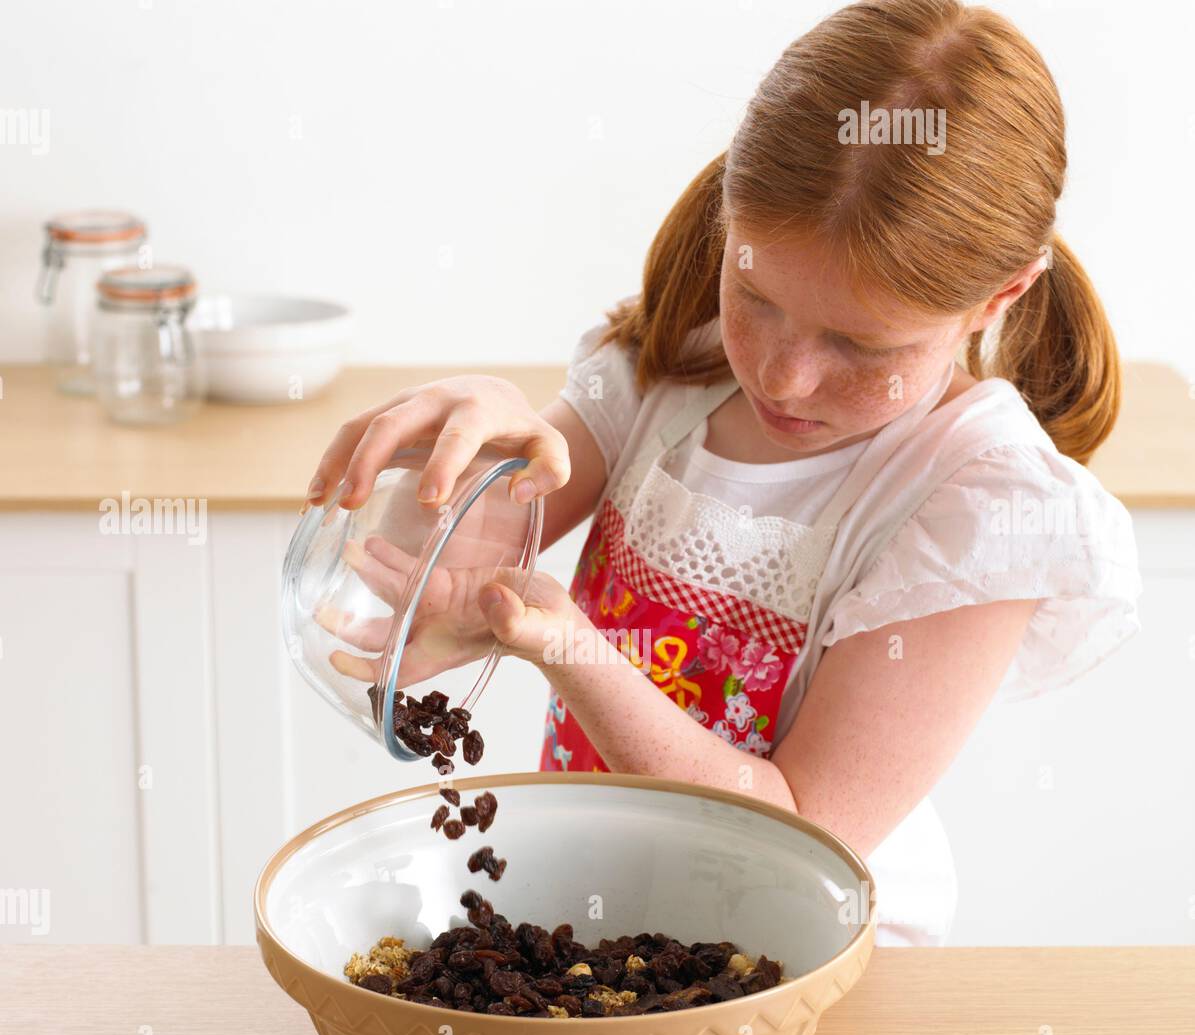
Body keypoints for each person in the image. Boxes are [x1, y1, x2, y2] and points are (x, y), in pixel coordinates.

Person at [307, 0, 1141, 946]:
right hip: (608, 931)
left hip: (805, 965)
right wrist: (478, 443)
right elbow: (466, 555)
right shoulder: (673, 371)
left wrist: (569, 649)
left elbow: (794, 832)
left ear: (1002, 296)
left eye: (860, 345)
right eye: (755, 298)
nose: (784, 374)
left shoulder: (979, 510)